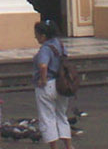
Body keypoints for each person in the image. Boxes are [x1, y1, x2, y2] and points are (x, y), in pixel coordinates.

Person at [32, 20, 72, 149]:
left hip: (48, 84)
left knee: (47, 117)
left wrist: (42, 80)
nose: (35, 37)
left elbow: (43, 65)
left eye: (37, 34)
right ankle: (68, 146)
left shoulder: (45, 48)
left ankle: (54, 147)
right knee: (62, 115)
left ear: (43, 36)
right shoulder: (60, 45)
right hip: (62, 83)